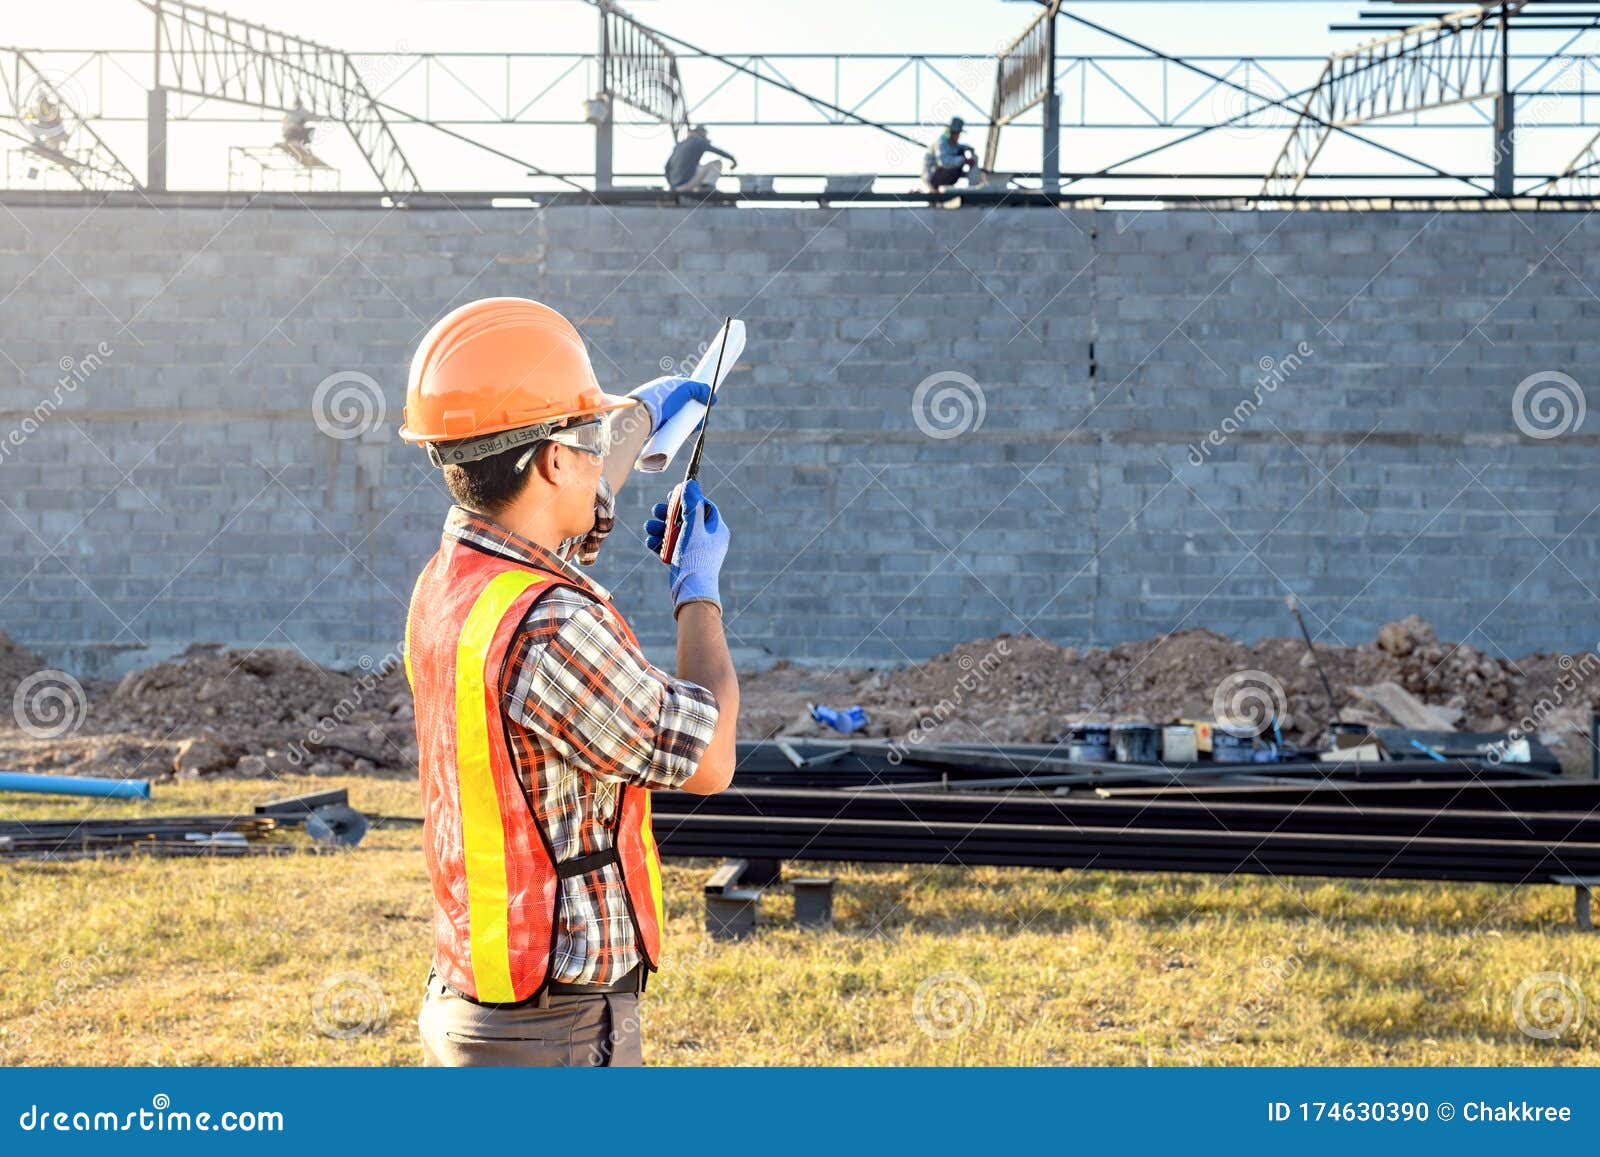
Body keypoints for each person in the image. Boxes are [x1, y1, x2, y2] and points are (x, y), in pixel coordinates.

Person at [400, 297, 740, 1066]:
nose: (599, 455)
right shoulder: (553, 627)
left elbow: (569, 504)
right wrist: (699, 590)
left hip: (481, 998)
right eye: (585, 436)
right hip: (553, 1031)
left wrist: (639, 418)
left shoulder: (457, 581)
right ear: (553, 461)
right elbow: (712, 755)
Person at [665, 124, 737, 192]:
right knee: (717, 163)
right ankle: (706, 187)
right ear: (699, 133)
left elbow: (666, 167)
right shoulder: (699, 142)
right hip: (686, 184)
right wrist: (733, 160)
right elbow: (719, 151)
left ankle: (698, 187)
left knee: (698, 167)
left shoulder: (679, 145)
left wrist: (672, 185)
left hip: (675, 186)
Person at [922, 116, 977, 192]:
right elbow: (943, 162)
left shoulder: (952, 144)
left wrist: (967, 147)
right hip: (933, 178)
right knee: (960, 155)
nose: (958, 136)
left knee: (961, 152)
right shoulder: (941, 143)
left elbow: (956, 148)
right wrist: (964, 160)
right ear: (952, 133)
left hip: (939, 178)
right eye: (957, 133)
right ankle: (937, 189)